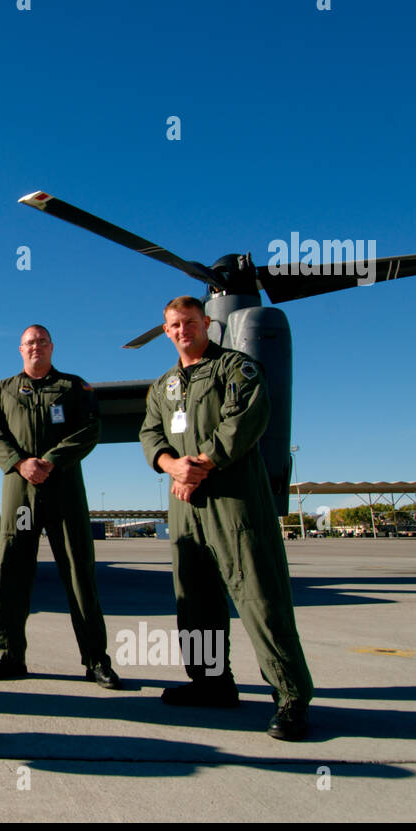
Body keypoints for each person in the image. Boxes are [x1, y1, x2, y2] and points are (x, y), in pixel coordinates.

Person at [139, 296, 313, 740]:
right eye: (174, 325)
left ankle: (291, 697)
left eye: (191, 323)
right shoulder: (162, 386)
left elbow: (244, 420)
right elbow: (150, 432)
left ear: (207, 324)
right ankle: (212, 684)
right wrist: (169, 464)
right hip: (184, 504)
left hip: (233, 500)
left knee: (259, 595)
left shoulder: (236, 368)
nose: (183, 331)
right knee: (195, 600)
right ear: (165, 331)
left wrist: (199, 464)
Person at [0, 324, 123, 688]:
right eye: (30, 342)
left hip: (63, 490)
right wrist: (20, 462)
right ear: (20, 349)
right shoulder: (2, 391)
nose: (36, 347)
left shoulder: (75, 388)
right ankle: (9, 655)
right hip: (20, 490)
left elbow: (90, 428)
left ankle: (96, 661)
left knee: (78, 572)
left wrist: (52, 460)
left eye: (42, 341)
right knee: (12, 570)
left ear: (52, 347)